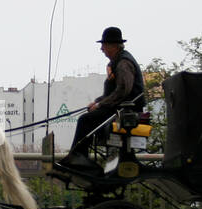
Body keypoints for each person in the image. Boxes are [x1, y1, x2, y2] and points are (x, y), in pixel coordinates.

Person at [60, 26, 145, 169]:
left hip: (125, 112)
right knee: (88, 117)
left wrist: (100, 105)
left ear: (113, 46)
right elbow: (113, 93)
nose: (101, 49)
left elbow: (123, 90)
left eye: (104, 45)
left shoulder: (124, 63)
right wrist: (97, 101)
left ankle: (79, 157)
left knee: (85, 120)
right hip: (119, 109)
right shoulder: (117, 62)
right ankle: (79, 156)